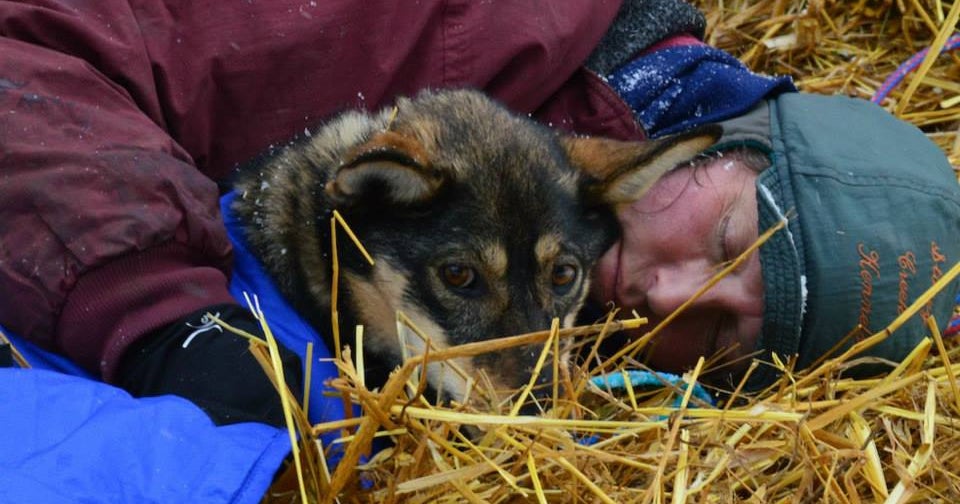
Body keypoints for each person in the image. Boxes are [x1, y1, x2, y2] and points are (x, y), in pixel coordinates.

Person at [1, 0, 957, 501]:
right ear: (726, 142)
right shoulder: (477, 19)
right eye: (724, 240)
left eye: (719, 337)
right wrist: (163, 320)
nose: (664, 298)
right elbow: (25, 49)